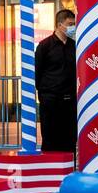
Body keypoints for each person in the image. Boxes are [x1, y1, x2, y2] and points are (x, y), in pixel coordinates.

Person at [34, 8, 76, 153]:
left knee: (69, 137)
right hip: (50, 99)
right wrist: (44, 93)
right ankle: (50, 169)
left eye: (74, 24)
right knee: (51, 136)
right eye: (69, 24)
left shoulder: (73, 46)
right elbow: (37, 71)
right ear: (59, 25)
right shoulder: (44, 46)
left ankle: (68, 168)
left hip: (69, 100)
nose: (72, 27)